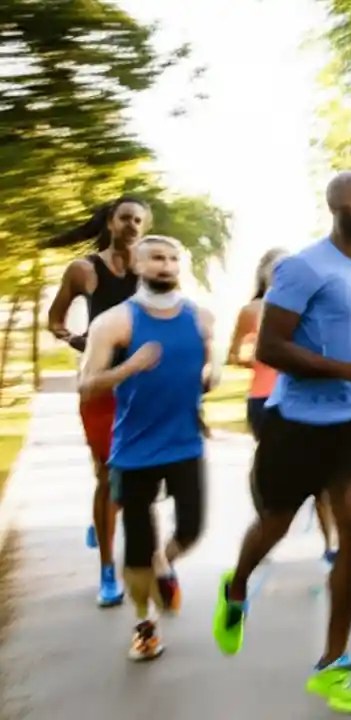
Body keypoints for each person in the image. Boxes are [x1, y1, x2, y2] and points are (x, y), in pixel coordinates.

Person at [212, 171, 351, 715]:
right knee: (275, 524)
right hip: (296, 426)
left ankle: (334, 663)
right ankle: (237, 586)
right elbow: (270, 346)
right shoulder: (304, 266)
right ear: (335, 203)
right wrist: (350, 370)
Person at [77, 235, 216, 661]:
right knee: (136, 544)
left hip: (184, 443)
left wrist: (211, 375)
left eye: (174, 258)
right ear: (138, 265)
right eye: (156, 257)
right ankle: (145, 626)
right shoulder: (116, 322)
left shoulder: (202, 318)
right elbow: (86, 384)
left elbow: (212, 367)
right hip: (134, 449)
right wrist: (130, 367)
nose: (166, 265)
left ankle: (164, 562)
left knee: (191, 528)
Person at [46, 195, 151, 608]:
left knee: (132, 478)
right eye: (126, 218)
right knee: (108, 476)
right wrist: (74, 339)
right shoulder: (84, 270)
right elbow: (54, 319)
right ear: (110, 222)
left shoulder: (151, 269)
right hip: (100, 385)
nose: (132, 226)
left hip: (143, 387)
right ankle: (109, 570)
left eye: (139, 220)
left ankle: (103, 519)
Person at [228, 247, 337, 564]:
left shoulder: (309, 308)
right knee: (273, 470)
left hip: (306, 396)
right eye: (276, 269)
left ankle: (330, 545)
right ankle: (265, 530)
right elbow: (235, 355)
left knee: (320, 473)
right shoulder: (253, 310)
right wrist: (258, 357)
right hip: (265, 398)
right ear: (264, 274)